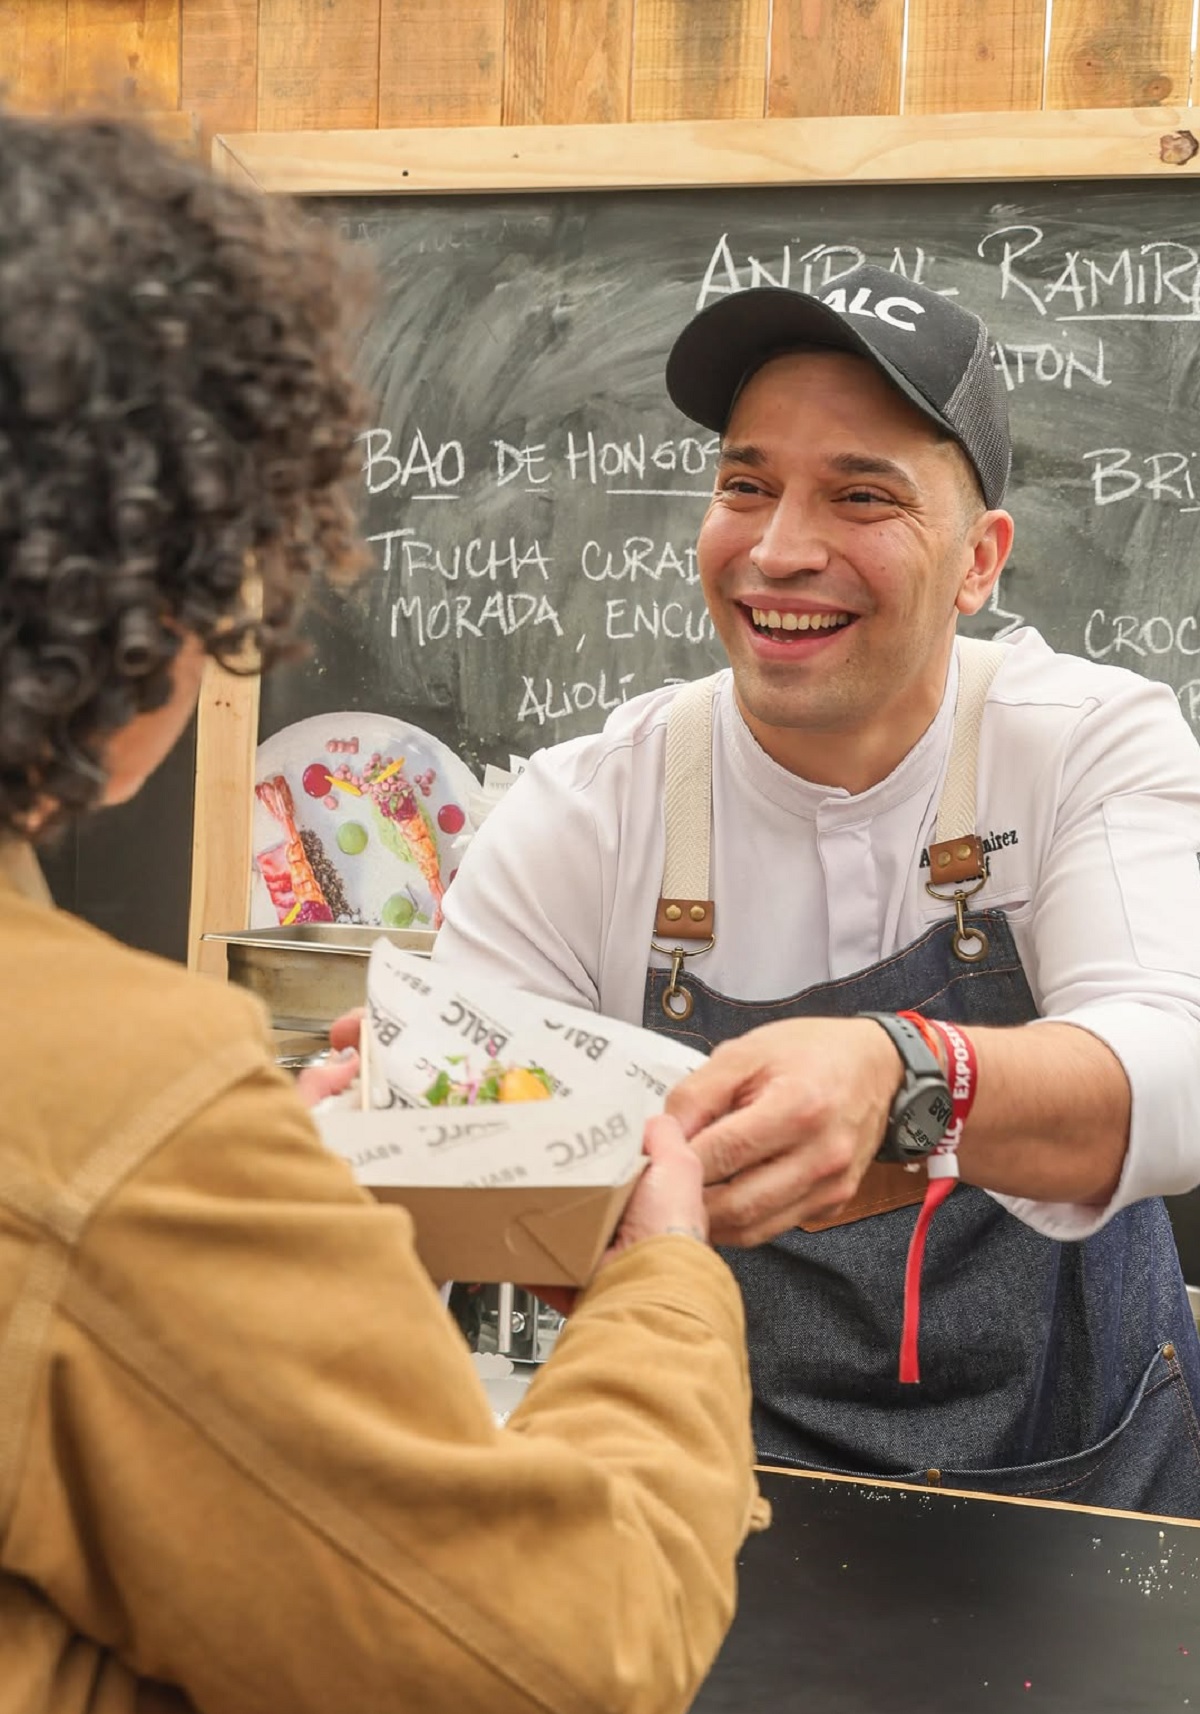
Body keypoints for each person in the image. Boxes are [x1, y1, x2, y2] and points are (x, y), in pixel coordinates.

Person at [0, 108, 765, 1714]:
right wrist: (665, 1279)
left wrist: (251, 1180)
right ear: (151, 588)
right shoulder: (112, 1099)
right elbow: (560, 1650)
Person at [435, 264, 1200, 1517]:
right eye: (747, 486)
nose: (781, 550)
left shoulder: (1083, 743)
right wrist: (419, 1122)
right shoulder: (586, 809)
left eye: (861, 495)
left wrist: (908, 1075)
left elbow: (1174, 1068)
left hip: (1088, 1503)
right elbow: (465, 1172)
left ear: (979, 561)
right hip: (708, 1498)